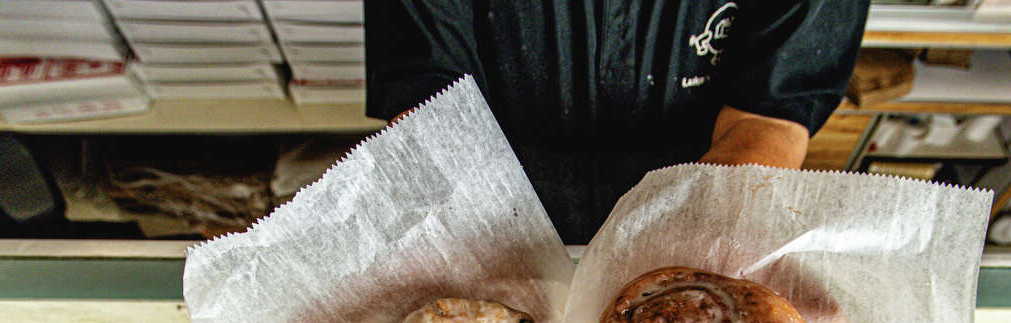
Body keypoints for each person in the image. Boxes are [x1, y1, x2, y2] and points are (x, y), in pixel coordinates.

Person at [364, 1, 870, 243]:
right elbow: (428, 104)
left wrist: (694, 264)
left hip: (698, 218)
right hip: (489, 212)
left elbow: (767, 117)